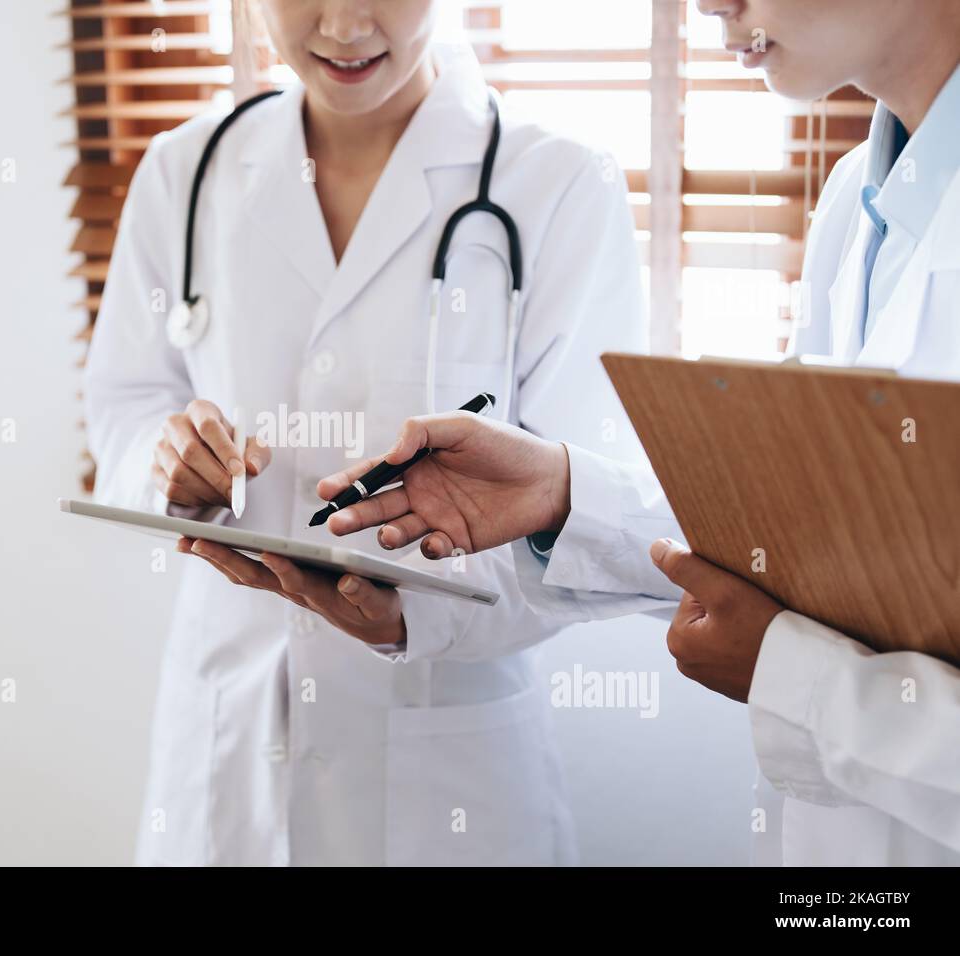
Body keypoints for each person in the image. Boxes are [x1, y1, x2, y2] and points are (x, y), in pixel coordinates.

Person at [320, 0, 960, 865]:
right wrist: (560, 494)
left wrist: (796, 686)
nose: (708, 6)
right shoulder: (859, 201)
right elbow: (815, 541)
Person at [84, 0, 647, 865]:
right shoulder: (182, 173)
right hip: (228, 742)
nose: (345, 25)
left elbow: (593, 513)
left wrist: (408, 620)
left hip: (450, 766)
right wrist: (170, 466)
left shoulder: (562, 183)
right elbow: (124, 403)